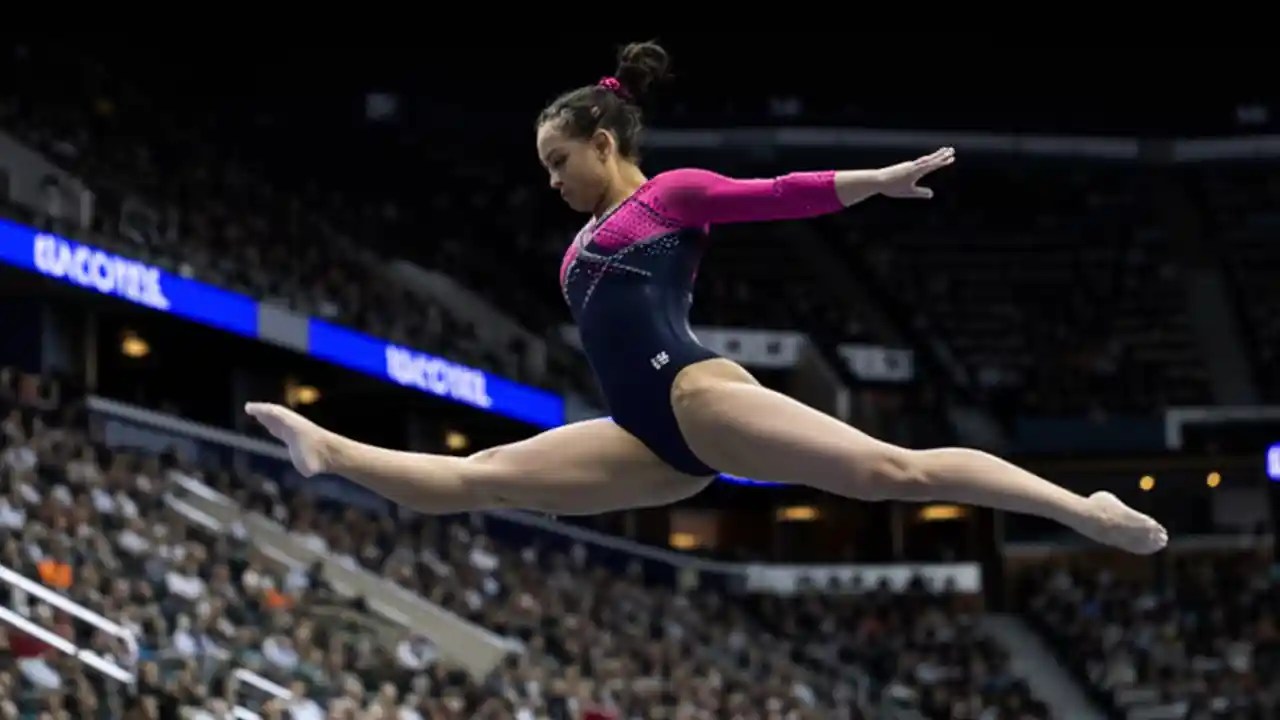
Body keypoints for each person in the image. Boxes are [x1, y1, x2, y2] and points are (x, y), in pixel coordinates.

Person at [246, 41, 1167, 555]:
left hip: (696, 395)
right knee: (484, 475)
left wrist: (873, 180)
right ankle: (329, 448)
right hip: (645, 435)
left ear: (603, 142)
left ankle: (1076, 507)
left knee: (895, 472)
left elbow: (776, 196)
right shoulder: (577, 238)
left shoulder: (667, 196)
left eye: (558, 162)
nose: (551, 182)